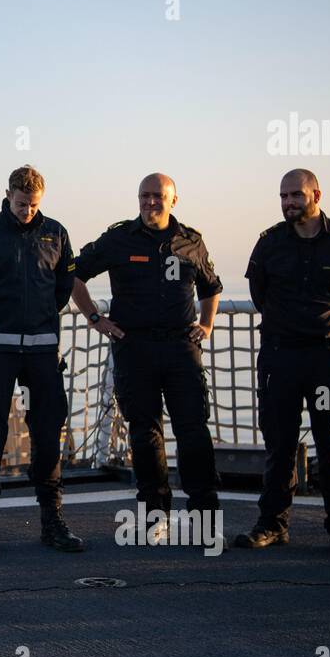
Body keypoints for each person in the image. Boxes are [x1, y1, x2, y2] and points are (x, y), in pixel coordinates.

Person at [71, 173, 222, 542]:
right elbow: (72, 275)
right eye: (144, 196)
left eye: (157, 196)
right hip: (134, 347)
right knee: (145, 435)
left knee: (193, 433)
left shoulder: (191, 241)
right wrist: (95, 318)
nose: (150, 202)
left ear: (174, 200)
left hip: (181, 348)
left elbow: (211, 287)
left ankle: (204, 522)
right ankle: (156, 518)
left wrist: (207, 324)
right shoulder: (119, 238)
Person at [236, 169, 330, 556]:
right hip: (280, 357)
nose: (289, 202)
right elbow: (260, 293)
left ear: (316, 194)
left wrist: (328, 327)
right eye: (283, 196)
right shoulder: (270, 243)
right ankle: (273, 524)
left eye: (296, 194)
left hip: (327, 358)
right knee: (279, 442)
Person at [0, 166, 84, 555]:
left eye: (33, 204)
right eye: (21, 203)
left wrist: (41, 318)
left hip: (43, 350)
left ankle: (52, 521)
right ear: (7, 195)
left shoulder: (56, 233)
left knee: (47, 433)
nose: (27, 210)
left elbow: (63, 286)